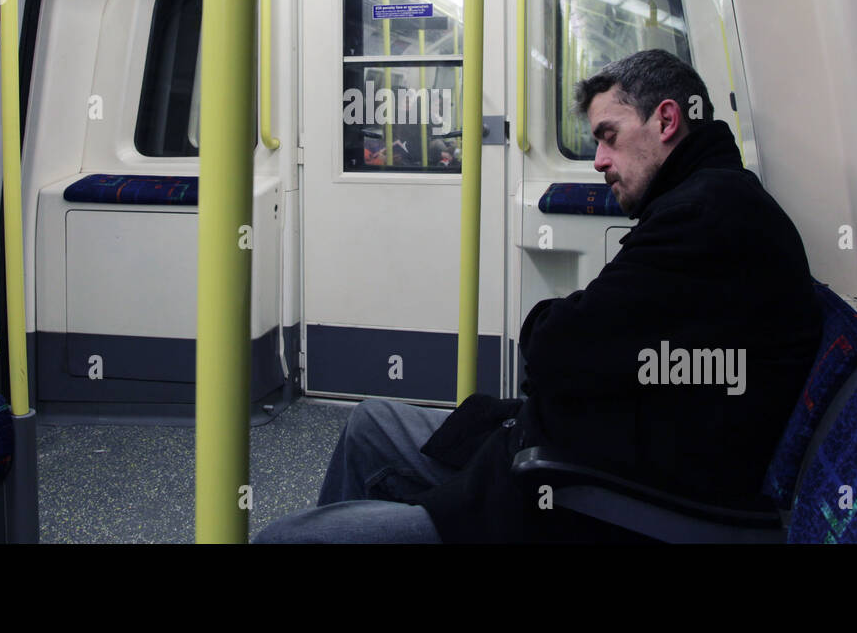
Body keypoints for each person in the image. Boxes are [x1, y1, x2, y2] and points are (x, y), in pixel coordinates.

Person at [255, 49, 822, 543]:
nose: (599, 160)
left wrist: (555, 332)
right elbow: (589, 344)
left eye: (609, 136)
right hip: (572, 453)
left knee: (286, 538)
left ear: (667, 120)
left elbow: (556, 351)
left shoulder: (707, 219)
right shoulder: (698, 204)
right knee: (370, 423)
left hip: (596, 498)